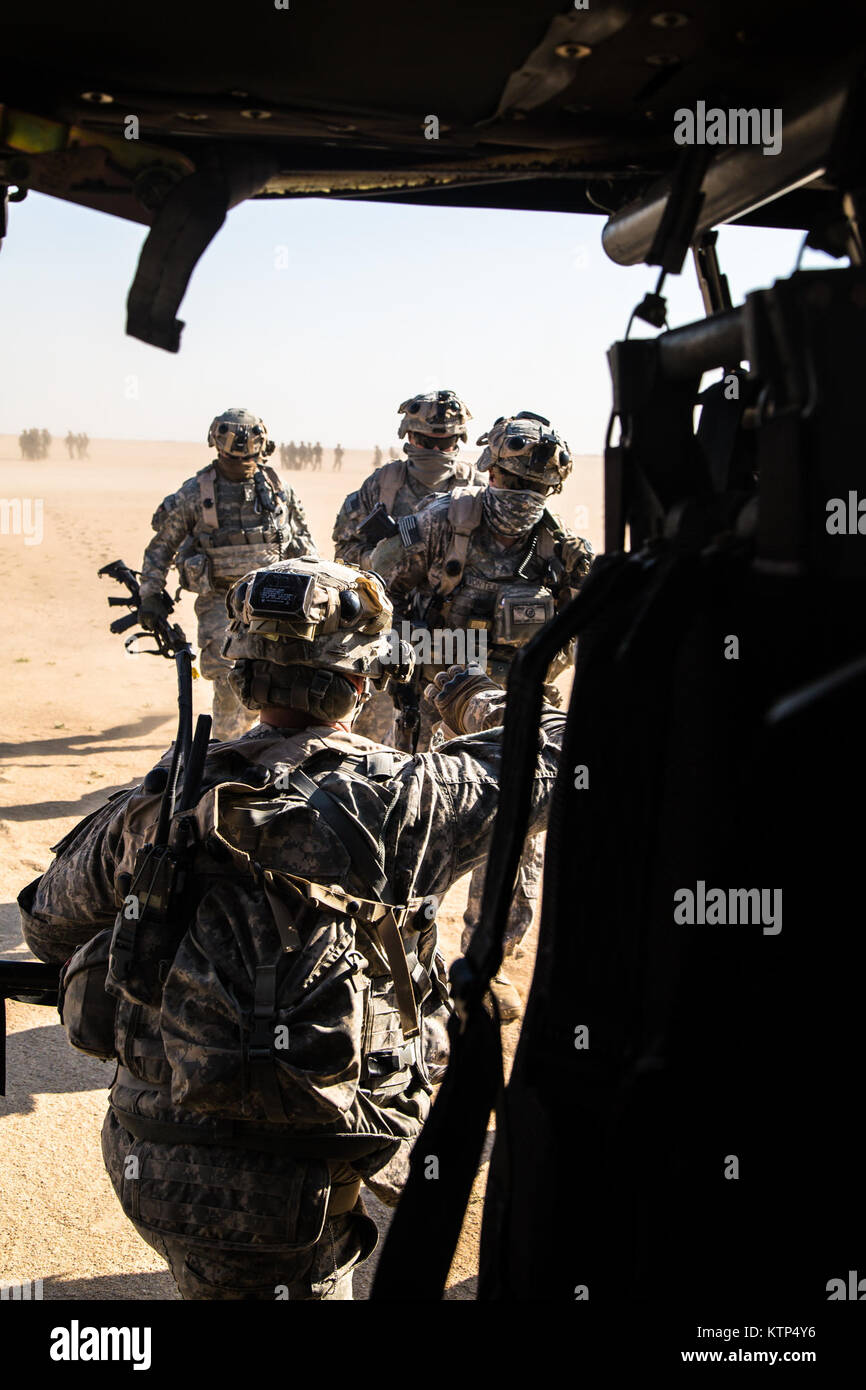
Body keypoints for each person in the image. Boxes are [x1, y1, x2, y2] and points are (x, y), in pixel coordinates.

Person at [19, 556, 567, 1300]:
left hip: (159, 1162)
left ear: (240, 676)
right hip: (314, 1170)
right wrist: (461, 690)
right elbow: (560, 743)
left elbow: (49, 926)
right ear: (360, 681)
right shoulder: (407, 801)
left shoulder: (161, 798)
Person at [371, 410, 593, 1021]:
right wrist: (420, 661)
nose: (521, 499)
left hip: (520, 719)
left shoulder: (560, 550)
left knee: (516, 848)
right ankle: (402, 974)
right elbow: (368, 598)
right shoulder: (439, 525)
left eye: (537, 490)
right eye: (512, 482)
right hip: (435, 707)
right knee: (411, 840)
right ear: (489, 468)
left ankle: (482, 972)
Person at [137, 407, 317, 740]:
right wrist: (150, 594)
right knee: (229, 677)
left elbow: (304, 549)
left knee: (279, 673)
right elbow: (161, 547)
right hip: (221, 600)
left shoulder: (278, 491)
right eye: (233, 460)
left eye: (247, 458)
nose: (241, 466)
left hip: (275, 600)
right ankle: (227, 753)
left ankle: (265, 746)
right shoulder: (195, 494)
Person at [332, 389, 477, 742]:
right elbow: (345, 547)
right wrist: (387, 559)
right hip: (386, 623)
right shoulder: (383, 485)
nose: (436, 451)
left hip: (451, 633)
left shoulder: (476, 490)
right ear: (409, 438)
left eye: (445, 443)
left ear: (459, 442)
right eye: (427, 441)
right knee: (369, 728)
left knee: (452, 732)